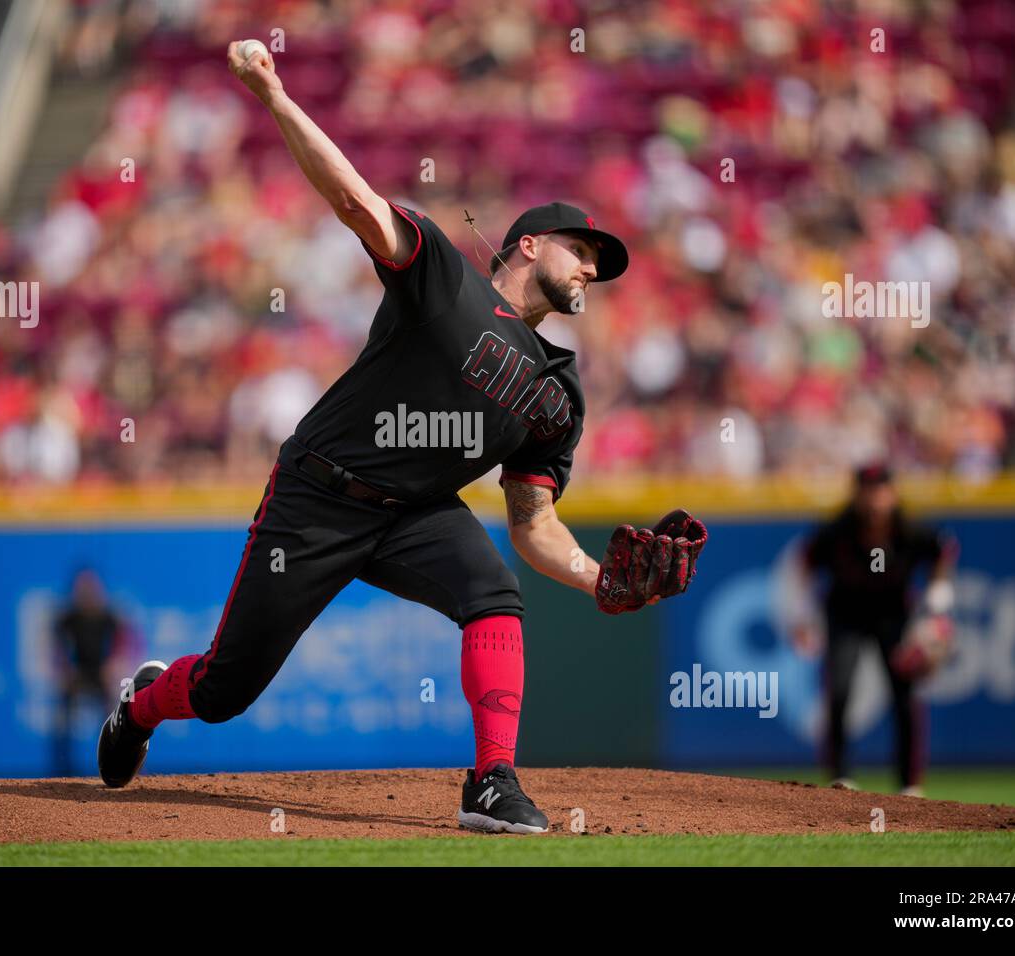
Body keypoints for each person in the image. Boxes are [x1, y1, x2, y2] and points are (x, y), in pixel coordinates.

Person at [97, 41, 705, 834]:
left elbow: (533, 522)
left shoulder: (559, 394)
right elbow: (354, 201)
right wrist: (277, 97)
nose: (592, 268)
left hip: (416, 513)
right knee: (222, 694)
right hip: (319, 492)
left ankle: (491, 782)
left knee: (494, 593)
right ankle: (142, 705)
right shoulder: (445, 283)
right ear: (529, 244)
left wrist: (597, 579)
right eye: (581, 250)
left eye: (599, 261)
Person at [794, 464, 958, 796]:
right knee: (839, 692)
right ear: (856, 495)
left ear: (893, 494)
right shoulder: (837, 533)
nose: (874, 501)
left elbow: (944, 549)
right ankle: (841, 776)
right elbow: (805, 561)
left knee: (904, 697)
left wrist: (937, 602)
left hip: (893, 614)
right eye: (868, 492)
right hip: (845, 614)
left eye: (881, 491)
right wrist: (804, 615)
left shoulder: (909, 531)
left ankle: (910, 783)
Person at [53, 568, 124, 776]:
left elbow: (122, 644)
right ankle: (62, 770)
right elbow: (57, 649)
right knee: (62, 718)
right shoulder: (68, 618)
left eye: (91, 587)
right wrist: (64, 670)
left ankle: (119, 764)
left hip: (101, 674)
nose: (86, 593)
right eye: (82, 588)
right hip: (77, 674)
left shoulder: (108, 616)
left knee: (117, 717)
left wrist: (112, 666)